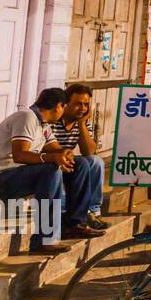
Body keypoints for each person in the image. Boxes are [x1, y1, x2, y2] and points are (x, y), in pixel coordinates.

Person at [0, 88, 103, 254]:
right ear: (58, 107)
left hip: (16, 178)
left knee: (81, 164)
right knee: (50, 170)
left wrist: (65, 154)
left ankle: (76, 224)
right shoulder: (26, 117)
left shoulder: (45, 125)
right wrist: (52, 158)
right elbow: (20, 155)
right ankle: (43, 240)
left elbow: (55, 149)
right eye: (64, 108)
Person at [47, 84, 106, 231]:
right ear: (65, 104)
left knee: (95, 162)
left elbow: (89, 151)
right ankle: (65, 211)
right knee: (71, 165)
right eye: (78, 104)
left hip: (70, 163)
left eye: (86, 104)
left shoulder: (82, 122)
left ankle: (92, 211)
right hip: (52, 163)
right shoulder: (54, 118)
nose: (83, 108)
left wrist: (81, 124)